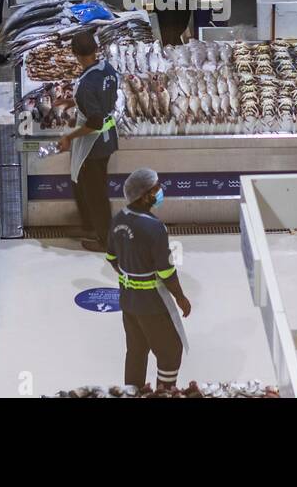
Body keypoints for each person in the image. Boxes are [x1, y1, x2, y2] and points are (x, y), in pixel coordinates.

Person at [106, 168, 192, 391]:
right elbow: (165, 271)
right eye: (156, 188)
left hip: (128, 301)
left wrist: (130, 275)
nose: (160, 191)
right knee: (170, 352)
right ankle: (164, 393)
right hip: (151, 304)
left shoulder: (118, 219)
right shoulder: (154, 227)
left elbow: (111, 257)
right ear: (144, 195)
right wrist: (180, 297)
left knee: (136, 350)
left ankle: (130, 393)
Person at [56, 32, 120, 253]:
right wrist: (70, 100)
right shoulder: (107, 69)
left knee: (96, 194)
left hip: (94, 145)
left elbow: (94, 122)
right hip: (107, 138)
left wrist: (68, 138)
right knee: (82, 185)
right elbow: (101, 98)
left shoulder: (85, 85)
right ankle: (88, 226)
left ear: (74, 54)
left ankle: (106, 240)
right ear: (96, 49)